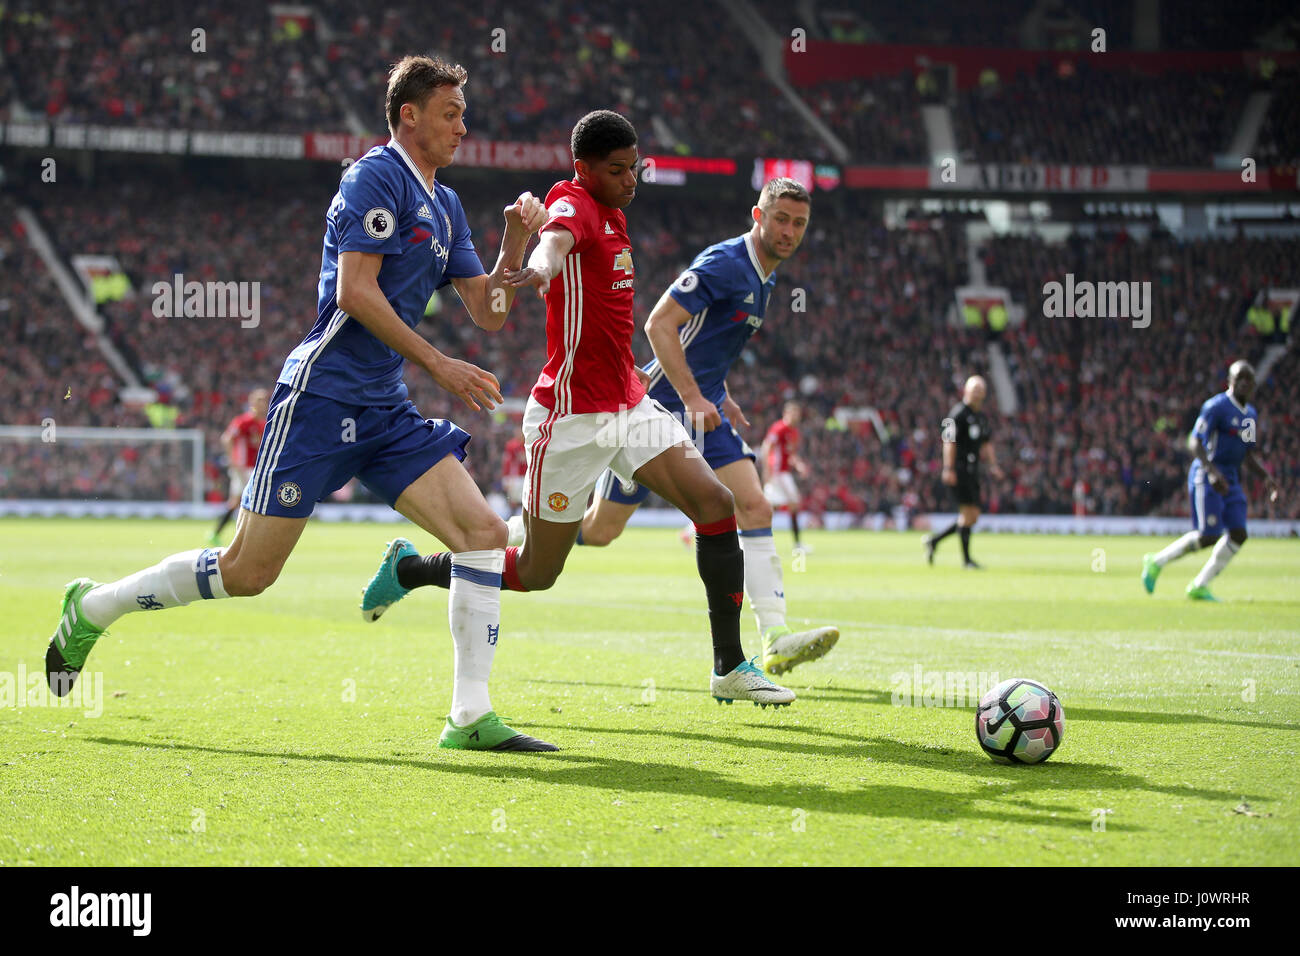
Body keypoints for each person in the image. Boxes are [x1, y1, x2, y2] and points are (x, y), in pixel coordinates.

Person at [45, 55, 559, 752]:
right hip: (321, 396)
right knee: (247, 573)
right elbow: (354, 292)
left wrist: (514, 242)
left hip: (384, 406)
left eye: (463, 113)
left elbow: (491, 313)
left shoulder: (446, 204)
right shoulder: (376, 176)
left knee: (482, 535)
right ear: (409, 116)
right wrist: (437, 362)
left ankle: (470, 717)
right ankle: (93, 608)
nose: (464, 126)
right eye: (451, 113)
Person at [360, 110, 795, 707]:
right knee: (537, 573)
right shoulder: (575, 204)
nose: (629, 179)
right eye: (615, 170)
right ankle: (411, 570)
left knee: (716, 505)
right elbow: (555, 239)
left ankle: (730, 666)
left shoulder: (614, 214)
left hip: (629, 402)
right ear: (583, 169)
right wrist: (537, 268)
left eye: (634, 168)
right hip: (570, 420)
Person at [570, 180, 838, 676]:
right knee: (600, 529)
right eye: (780, 218)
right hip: (654, 412)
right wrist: (693, 395)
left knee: (754, 504)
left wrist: (721, 394)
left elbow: (709, 343)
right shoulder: (726, 263)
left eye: (799, 223)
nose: (789, 230)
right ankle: (512, 536)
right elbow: (659, 325)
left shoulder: (766, 278)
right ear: (757, 214)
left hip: (706, 413)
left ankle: (775, 636)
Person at [1142, 360, 1280, 601]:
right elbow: (1194, 442)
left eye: (1249, 379)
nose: (1245, 383)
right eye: (1240, 378)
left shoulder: (1250, 415)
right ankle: (1156, 561)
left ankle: (1199, 585)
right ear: (1230, 381)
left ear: (1254, 384)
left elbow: (1247, 453)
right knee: (1209, 535)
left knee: (1239, 534)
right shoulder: (1216, 407)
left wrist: (1266, 477)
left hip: (1231, 479)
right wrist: (1212, 472)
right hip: (1207, 476)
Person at [924, 375, 1003, 568]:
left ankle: (934, 542)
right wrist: (948, 468)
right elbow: (948, 442)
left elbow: (986, 444)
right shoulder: (955, 414)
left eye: (980, 389)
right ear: (966, 390)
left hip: (973, 470)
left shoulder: (981, 417)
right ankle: (966, 560)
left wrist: (993, 465)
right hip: (959, 469)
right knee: (969, 514)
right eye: (974, 388)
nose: (978, 392)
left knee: (971, 515)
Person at [210, 388, 269, 545]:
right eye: (260, 400)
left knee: (242, 502)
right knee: (244, 501)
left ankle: (222, 534)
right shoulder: (244, 421)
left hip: (256, 469)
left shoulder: (264, 424)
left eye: (264, 400)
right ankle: (236, 536)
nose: (263, 403)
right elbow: (227, 438)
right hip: (243, 468)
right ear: (252, 403)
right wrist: (233, 460)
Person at [762, 401, 811, 552]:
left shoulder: (794, 432)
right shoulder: (779, 428)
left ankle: (758, 538)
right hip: (777, 473)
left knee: (771, 508)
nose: (796, 416)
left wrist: (799, 466)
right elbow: (766, 447)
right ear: (786, 413)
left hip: (784, 472)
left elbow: (791, 455)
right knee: (793, 503)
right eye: (793, 413)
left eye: (798, 414)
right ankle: (797, 545)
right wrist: (767, 471)